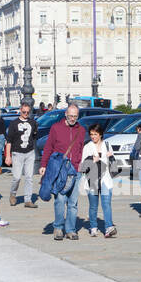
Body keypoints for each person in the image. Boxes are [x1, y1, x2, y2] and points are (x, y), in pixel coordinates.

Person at [41, 103, 86, 240]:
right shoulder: (56, 128)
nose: (73, 119)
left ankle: (71, 230)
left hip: (76, 170)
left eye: (75, 116)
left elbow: (81, 149)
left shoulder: (82, 130)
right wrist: (43, 164)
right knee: (60, 200)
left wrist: (81, 164)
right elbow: (48, 147)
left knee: (73, 203)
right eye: (71, 116)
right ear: (65, 114)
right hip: (61, 170)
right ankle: (58, 227)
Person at [80, 123, 117, 238]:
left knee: (106, 204)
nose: (93, 137)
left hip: (105, 178)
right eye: (91, 134)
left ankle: (109, 227)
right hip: (92, 179)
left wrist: (111, 156)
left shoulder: (107, 144)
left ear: (100, 134)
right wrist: (92, 160)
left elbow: (113, 164)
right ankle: (93, 227)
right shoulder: (87, 146)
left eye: (95, 134)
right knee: (93, 206)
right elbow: (82, 166)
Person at [4, 103, 39, 207]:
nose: (26, 114)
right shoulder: (13, 123)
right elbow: (9, 141)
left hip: (29, 153)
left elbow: (34, 136)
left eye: (28, 112)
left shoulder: (33, 123)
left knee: (29, 177)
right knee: (17, 177)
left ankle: (27, 200)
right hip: (17, 153)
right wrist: (8, 156)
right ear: (20, 111)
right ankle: (13, 194)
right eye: (24, 112)